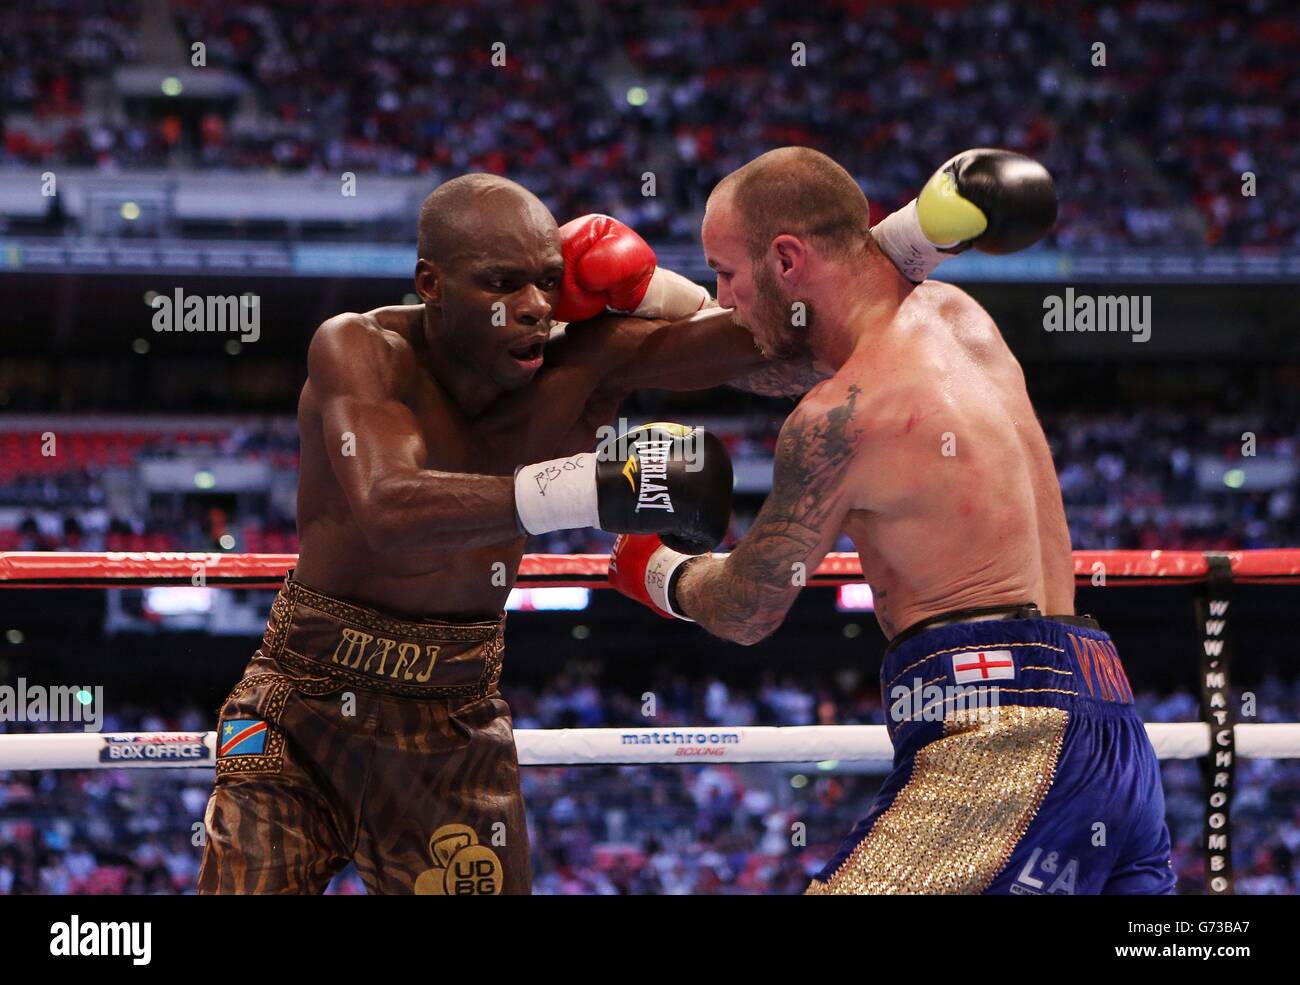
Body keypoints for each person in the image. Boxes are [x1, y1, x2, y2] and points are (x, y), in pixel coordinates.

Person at [197, 167, 957, 895]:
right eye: (502, 283)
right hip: (297, 699)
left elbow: (786, 340)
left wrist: (918, 232)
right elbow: (387, 506)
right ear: (431, 283)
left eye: (547, 281)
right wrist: (592, 488)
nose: (533, 305)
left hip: (454, 712)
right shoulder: (361, 349)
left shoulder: (584, 358)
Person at [610, 147, 1175, 895]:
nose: (726, 300)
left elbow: (750, 606)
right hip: (1108, 723)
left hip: (1001, 740)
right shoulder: (956, 315)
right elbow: (786, 357)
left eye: (727, 275)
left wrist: (657, 570)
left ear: (787, 259)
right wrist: (654, 296)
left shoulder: (835, 422)